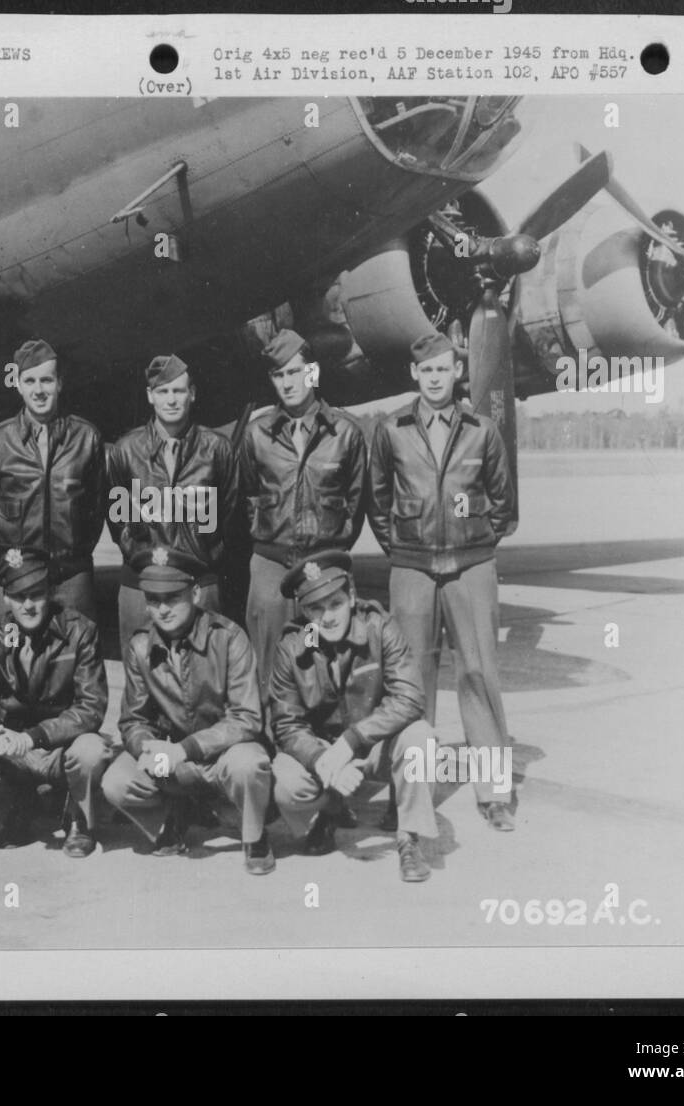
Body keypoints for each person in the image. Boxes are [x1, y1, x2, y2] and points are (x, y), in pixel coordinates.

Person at [367, 331, 517, 831]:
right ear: (415, 375)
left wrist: (474, 544)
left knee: (479, 673)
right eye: (426, 370)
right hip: (411, 567)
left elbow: (504, 505)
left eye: (443, 369)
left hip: (471, 567)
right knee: (411, 683)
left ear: (457, 372)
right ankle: (409, 792)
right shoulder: (392, 429)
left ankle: (494, 792)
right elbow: (378, 498)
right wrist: (405, 549)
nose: (434, 378)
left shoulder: (482, 430)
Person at [102, 548, 274, 875]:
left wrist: (184, 749)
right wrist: (147, 748)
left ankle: (254, 835)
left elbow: (247, 718)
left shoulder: (229, 638)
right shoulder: (140, 646)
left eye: (173, 598)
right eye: (153, 600)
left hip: (223, 752)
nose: (163, 609)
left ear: (195, 594)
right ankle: (170, 817)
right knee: (117, 781)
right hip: (173, 758)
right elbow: (133, 720)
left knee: (249, 764)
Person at [269, 551, 437, 882]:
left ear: (352, 597)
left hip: (374, 745)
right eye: (316, 608)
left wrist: (352, 740)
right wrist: (322, 760)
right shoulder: (291, 647)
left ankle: (409, 837)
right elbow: (286, 725)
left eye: (335, 604)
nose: (327, 617)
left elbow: (411, 696)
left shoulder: (380, 626)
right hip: (324, 752)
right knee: (285, 782)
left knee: (421, 738)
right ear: (304, 612)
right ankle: (330, 811)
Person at [237, 329, 367, 700]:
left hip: (321, 566)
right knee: (270, 652)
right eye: (279, 375)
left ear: (312, 373)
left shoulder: (345, 432)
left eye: (294, 372)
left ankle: (316, 734)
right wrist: (267, 537)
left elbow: (356, 502)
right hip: (272, 566)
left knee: (319, 655)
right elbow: (246, 494)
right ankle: (267, 738)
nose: (287, 383)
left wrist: (331, 547)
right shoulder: (257, 433)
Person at [0, 549, 111, 857]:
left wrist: (34, 737)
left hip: (59, 745)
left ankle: (77, 819)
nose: (28, 605)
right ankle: (15, 810)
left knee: (92, 751)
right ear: (5, 598)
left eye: (36, 594)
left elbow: (90, 707)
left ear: (51, 591)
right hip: (11, 752)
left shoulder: (79, 631)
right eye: (18, 596)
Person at [106, 354, 238, 649]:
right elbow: (118, 518)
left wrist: (204, 556)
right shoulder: (125, 451)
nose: (171, 400)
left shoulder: (218, 449)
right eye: (163, 392)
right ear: (150, 396)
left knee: (206, 679)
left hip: (199, 582)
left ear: (192, 394)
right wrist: (144, 558)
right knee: (142, 681)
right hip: (141, 584)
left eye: (178, 391)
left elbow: (229, 516)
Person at [0, 338, 106, 621]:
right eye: (30, 381)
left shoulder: (87, 438)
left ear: (59, 383)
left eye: (46, 380)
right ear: (18, 384)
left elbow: (97, 509)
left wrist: (74, 554)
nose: (38, 390)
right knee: (11, 655)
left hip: (71, 578)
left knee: (75, 655)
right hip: (17, 576)